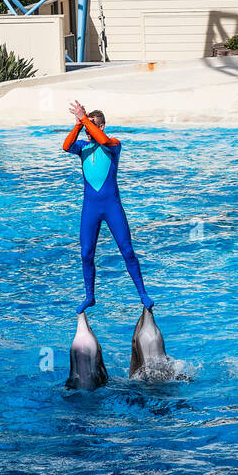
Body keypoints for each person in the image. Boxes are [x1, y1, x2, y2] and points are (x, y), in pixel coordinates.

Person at [62, 100, 153, 315]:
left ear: (101, 125)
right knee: (86, 254)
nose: (87, 129)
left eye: (91, 125)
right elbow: (66, 146)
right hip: (90, 209)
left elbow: (103, 139)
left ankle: (142, 293)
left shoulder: (113, 144)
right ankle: (89, 296)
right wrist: (78, 124)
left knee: (127, 250)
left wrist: (85, 119)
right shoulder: (82, 148)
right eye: (86, 126)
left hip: (111, 207)